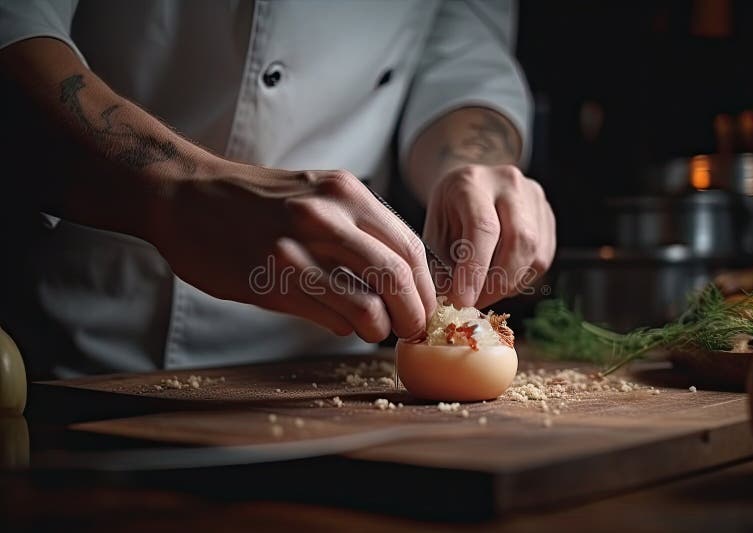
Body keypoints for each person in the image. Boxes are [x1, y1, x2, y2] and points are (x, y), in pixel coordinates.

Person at [0, 0, 555, 379]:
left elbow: (460, 49)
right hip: (71, 340)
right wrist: (177, 191)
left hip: (328, 368)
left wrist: (471, 165)